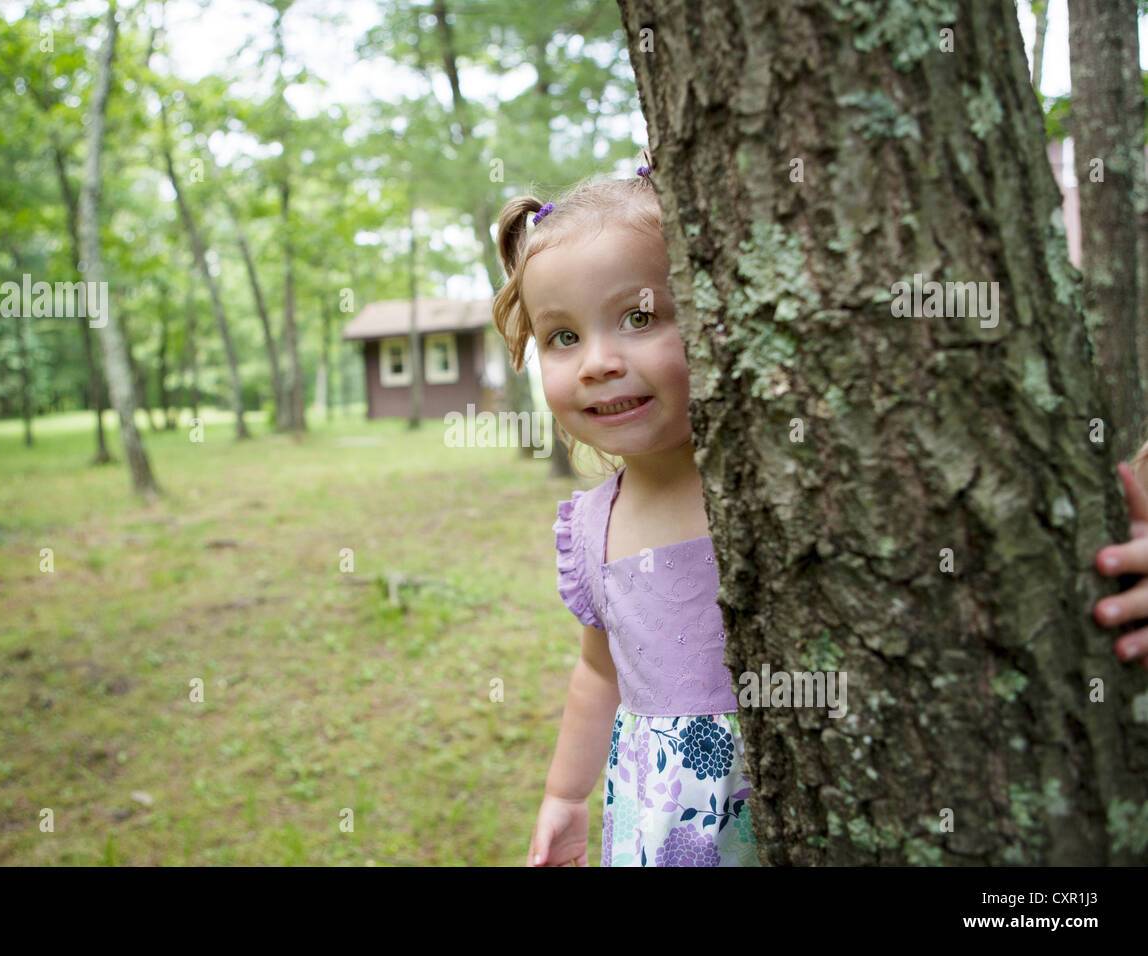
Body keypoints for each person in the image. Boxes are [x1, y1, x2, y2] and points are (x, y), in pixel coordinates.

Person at [492, 158, 1148, 868]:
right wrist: (565, 796)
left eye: (641, 317)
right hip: (668, 827)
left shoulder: (787, 478)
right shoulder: (591, 527)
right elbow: (600, 673)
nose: (597, 362)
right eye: (564, 336)